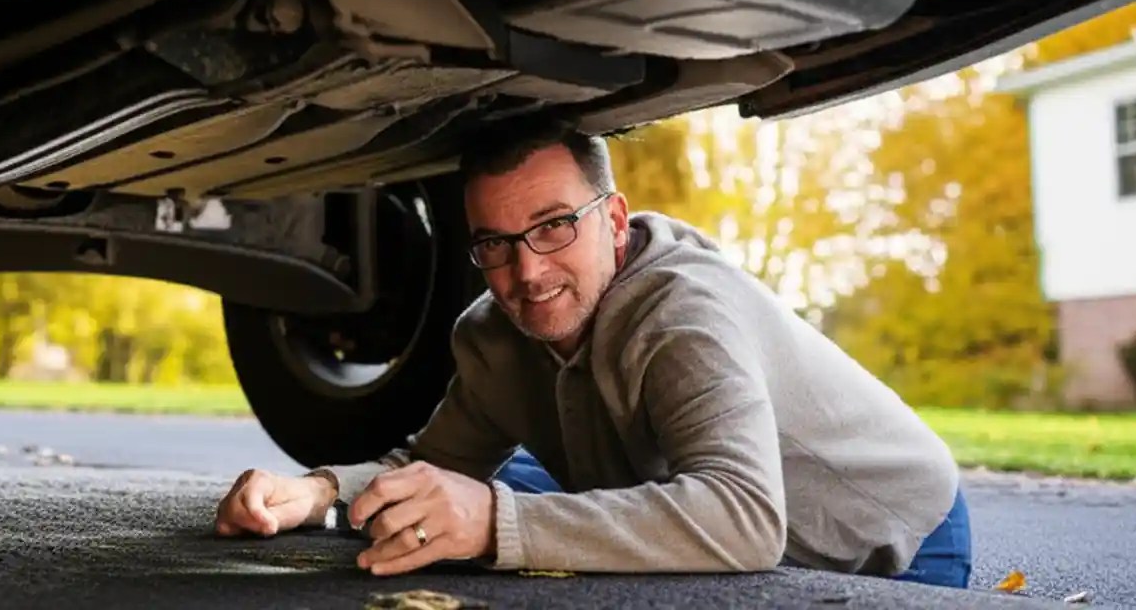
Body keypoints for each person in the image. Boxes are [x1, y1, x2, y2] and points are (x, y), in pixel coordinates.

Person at [214, 122, 972, 588]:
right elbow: (437, 468)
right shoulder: (491, 333)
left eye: (553, 227)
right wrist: (315, 491)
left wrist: (494, 524)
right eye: (495, 245)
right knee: (491, 486)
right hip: (695, 490)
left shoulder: (684, 316)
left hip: (892, 540)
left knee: (509, 505)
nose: (528, 272)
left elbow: (744, 521)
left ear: (612, 219)